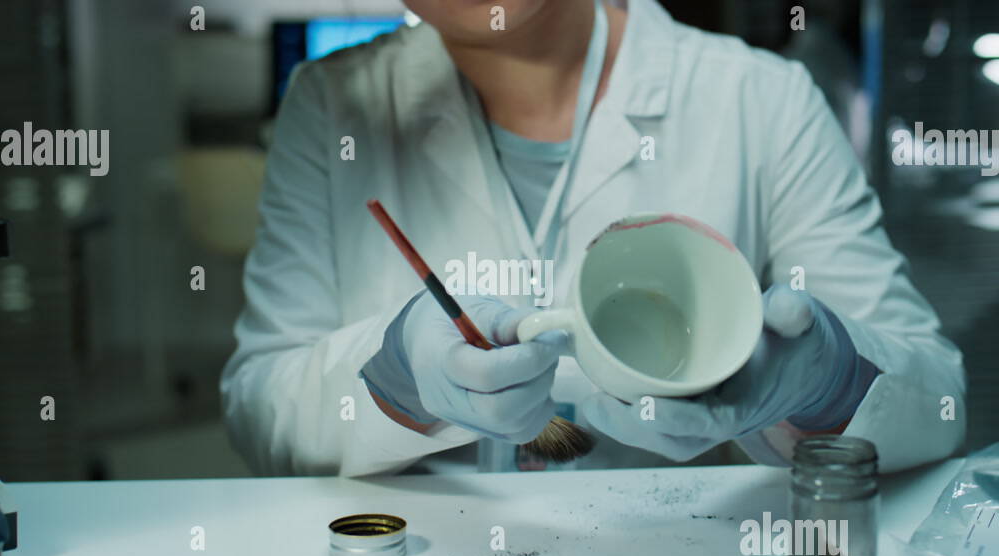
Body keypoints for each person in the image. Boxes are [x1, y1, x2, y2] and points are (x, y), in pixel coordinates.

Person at [220, 0, 965, 477]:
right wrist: (394, 384)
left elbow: (938, 404)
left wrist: (827, 382)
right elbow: (260, 409)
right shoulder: (330, 108)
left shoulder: (760, 99)